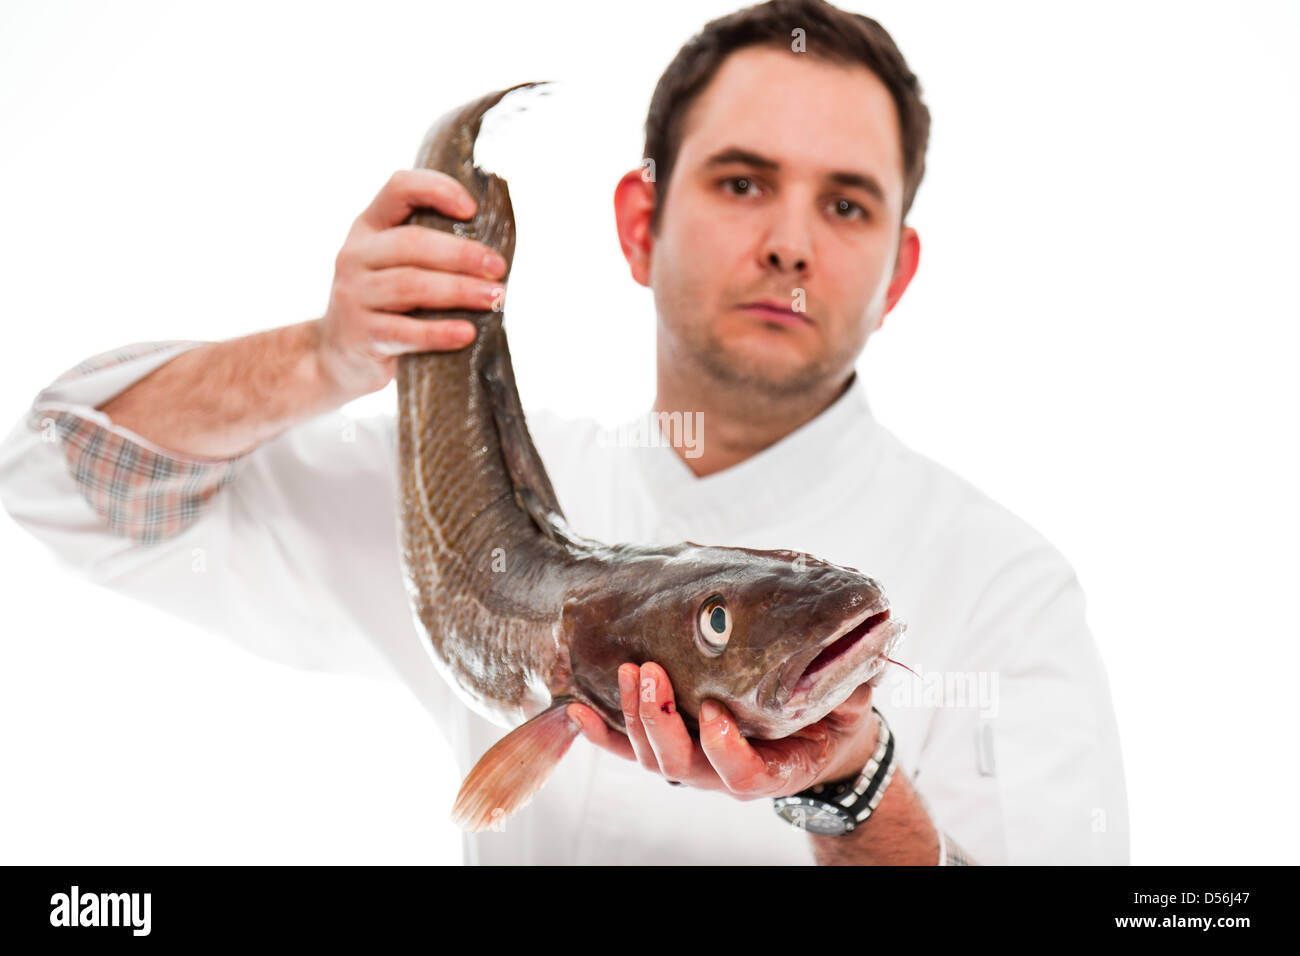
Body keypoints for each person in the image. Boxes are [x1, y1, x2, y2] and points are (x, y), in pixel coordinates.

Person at [0, 0, 1128, 864]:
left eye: (845, 203)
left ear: (897, 273)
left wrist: (853, 784)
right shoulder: (482, 502)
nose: (791, 242)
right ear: (639, 226)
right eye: (742, 182)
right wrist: (328, 354)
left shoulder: (1010, 585)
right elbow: (61, 474)